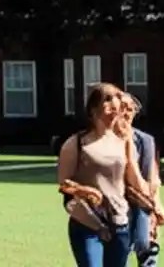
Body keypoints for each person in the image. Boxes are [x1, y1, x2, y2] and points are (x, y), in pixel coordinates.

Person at [57, 83, 150, 267]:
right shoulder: (76, 144)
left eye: (116, 98)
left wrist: (131, 157)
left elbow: (140, 186)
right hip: (87, 224)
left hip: (120, 223)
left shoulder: (124, 142)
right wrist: (86, 191)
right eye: (107, 99)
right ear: (93, 109)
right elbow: (64, 185)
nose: (114, 104)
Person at [121, 95, 164, 266]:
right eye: (122, 108)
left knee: (146, 244)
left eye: (130, 109)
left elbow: (151, 178)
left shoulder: (145, 140)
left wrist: (156, 204)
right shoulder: (104, 138)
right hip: (113, 202)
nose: (126, 113)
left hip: (141, 200)